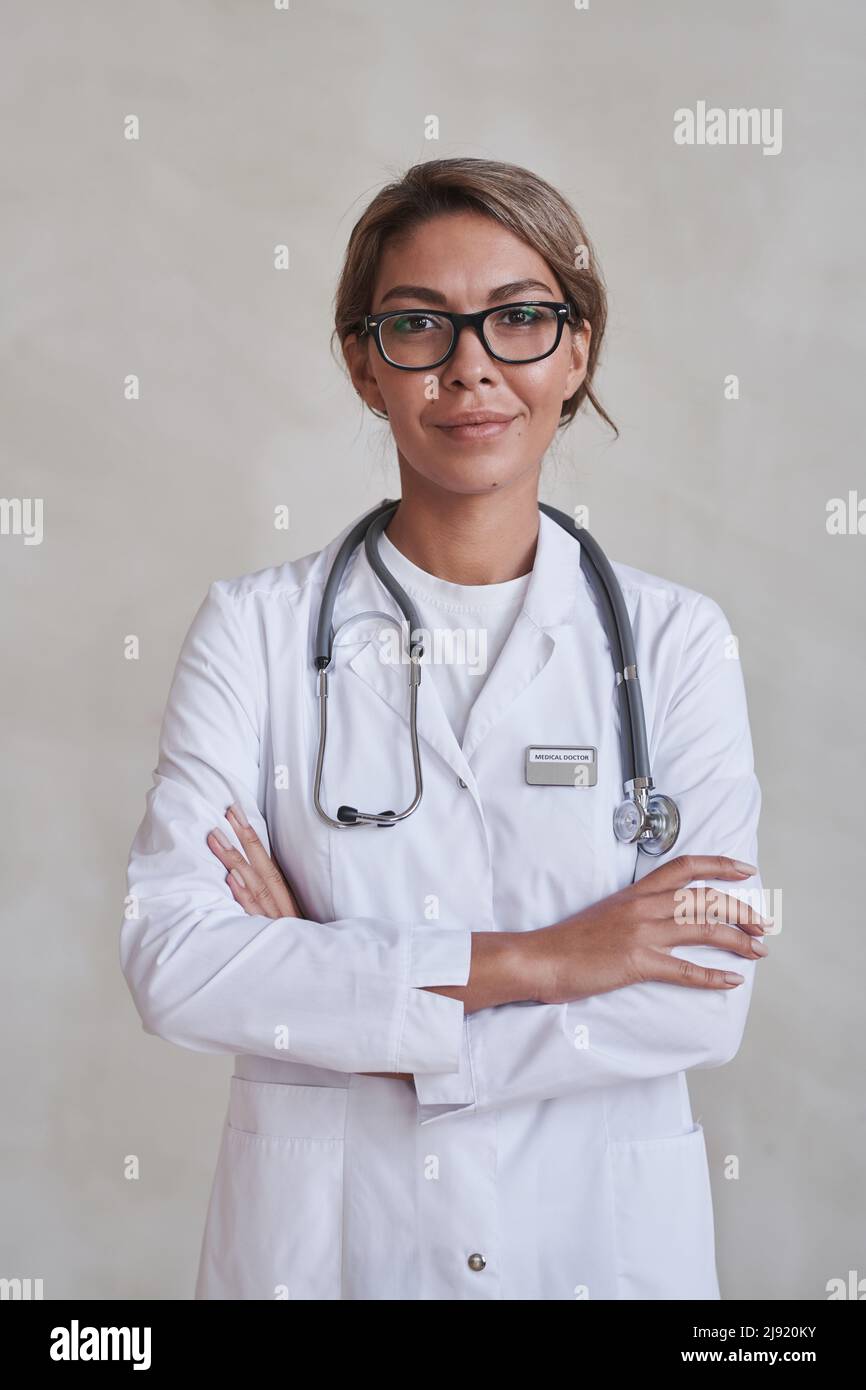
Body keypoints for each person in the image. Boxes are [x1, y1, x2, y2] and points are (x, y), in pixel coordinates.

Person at [120, 156, 769, 1301]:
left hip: (595, 1250)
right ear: (364, 365)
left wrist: (330, 990)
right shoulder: (253, 634)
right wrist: (548, 961)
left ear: (576, 351)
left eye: (518, 318)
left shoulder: (676, 645)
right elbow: (177, 964)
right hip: (332, 1257)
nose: (470, 364)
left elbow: (695, 996)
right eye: (418, 325)